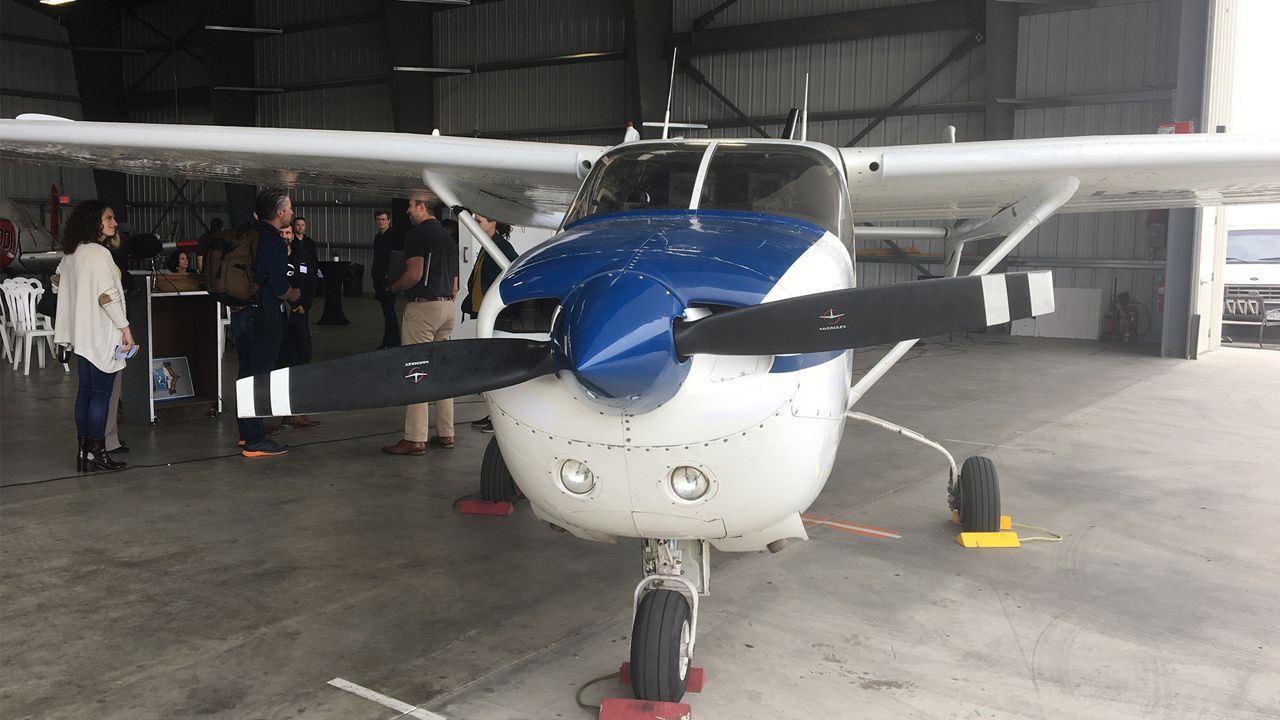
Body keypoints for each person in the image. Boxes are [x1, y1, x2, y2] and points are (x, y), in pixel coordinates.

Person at [53, 200, 134, 472]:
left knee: (85, 394)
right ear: (94, 222)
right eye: (109, 218)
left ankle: (84, 452)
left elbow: (57, 283)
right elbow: (107, 297)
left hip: (81, 335)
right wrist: (125, 329)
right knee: (100, 395)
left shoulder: (72, 254)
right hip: (100, 334)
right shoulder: (98, 254)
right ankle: (97, 453)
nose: (114, 223)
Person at [382, 193, 459, 455]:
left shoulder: (416, 235)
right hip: (447, 306)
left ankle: (415, 438)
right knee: (443, 373)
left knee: (416, 371)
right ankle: (446, 432)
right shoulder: (449, 238)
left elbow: (414, 274)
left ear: (422, 207)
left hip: (423, 307)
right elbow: (456, 284)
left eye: (411, 206)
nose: (407, 211)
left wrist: (394, 287)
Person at [232, 188, 300, 457]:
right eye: (290, 208)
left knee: (245, 373)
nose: (293, 213)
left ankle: (246, 430)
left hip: (241, 312)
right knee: (260, 377)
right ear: (280, 212)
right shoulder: (272, 242)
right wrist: (296, 294)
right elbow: (281, 287)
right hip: (263, 315)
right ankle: (254, 440)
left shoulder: (247, 233)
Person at [462, 215, 518, 433]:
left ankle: (499, 418)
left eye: (480, 221)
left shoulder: (501, 247)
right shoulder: (489, 246)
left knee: (497, 369)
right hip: (491, 315)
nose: (476, 224)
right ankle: (495, 416)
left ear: (494, 223)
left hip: (499, 318)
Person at [276, 223, 321, 429]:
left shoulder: (302, 255)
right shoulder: (273, 256)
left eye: (288, 233)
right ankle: (285, 411)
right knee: (283, 361)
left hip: (299, 314)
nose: (286, 236)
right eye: (282, 233)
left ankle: (297, 410)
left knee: (304, 355)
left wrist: (305, 305)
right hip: (278, 317)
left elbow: (312, 281)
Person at [370, 210, 400, 350]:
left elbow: (395, 258)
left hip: (388, 279)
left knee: (389, 312)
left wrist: (390, 277)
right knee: (387, 312)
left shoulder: (393, 237)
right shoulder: (378, 237)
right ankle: (390, 341)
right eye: (378, 220)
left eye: (383, 219)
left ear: (389, 220)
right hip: (379, 277)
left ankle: (392, 342)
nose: (380, 222)